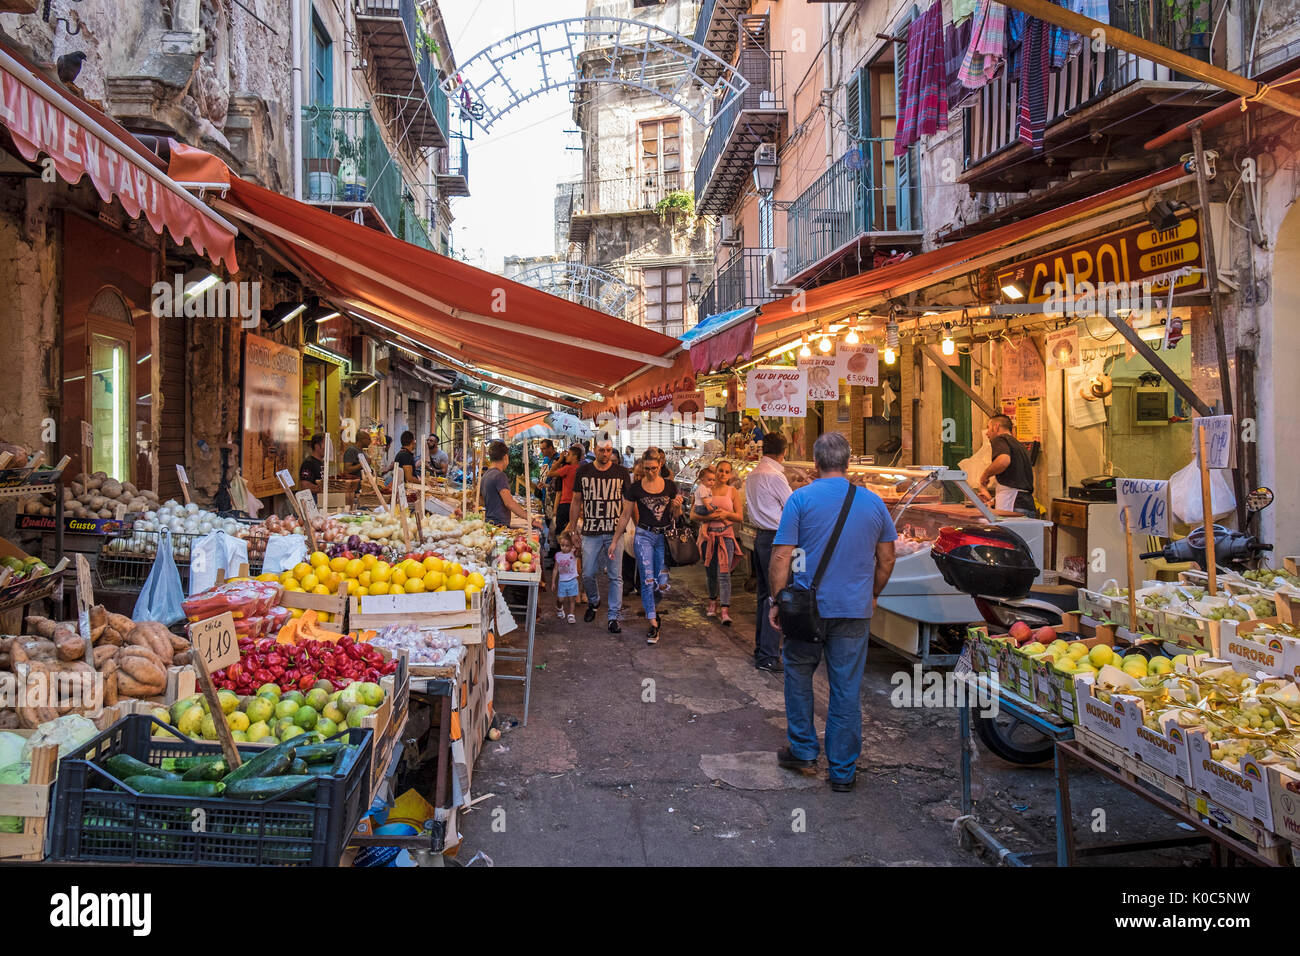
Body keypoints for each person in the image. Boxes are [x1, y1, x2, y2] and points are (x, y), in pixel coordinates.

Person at [768, 432, 897, 792]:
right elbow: (887, 558)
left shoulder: (800, 499)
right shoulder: (872, 502)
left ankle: (804, 750)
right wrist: (872, 592)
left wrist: (777, 600)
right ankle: (842, 771)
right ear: (848, 462)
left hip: (806, 610)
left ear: (815, 463)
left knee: (798, 676)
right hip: (853, 611)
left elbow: (782, 555)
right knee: (845, 688)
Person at [609, 450, 682, 645]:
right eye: (647, 469)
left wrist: (676, 505)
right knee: (648, 580)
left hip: (664, 538)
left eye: (654, 468)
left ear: (660, 465)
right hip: (643, 536)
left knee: (663, 583)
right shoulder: (635, 488)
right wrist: (615, 540)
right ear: (642, 467)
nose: (650, 472)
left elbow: (676, 515)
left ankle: (652, 608)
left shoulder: (669, 486)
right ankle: (653, 620)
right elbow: (625, 516)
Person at [568, 439, 632, 633]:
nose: (605, 453)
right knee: (587, 573)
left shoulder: (621, 473)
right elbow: (576, 501)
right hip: (590, 531)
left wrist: (617, 535)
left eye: (609, 450)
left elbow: (627, 508)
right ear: (594, 450)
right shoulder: (583, 471)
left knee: (615, 576)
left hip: (614, 532)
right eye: (602, 450)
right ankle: (594, 601)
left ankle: (613, 616)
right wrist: (572, 530)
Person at [746, 432, 793, 672]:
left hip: (761, 537)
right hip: (777, 539)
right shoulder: (774, 476)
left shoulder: (753, 474)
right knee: (777, 596)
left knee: (765, 597)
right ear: (784, 451)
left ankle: (762, 650)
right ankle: (768, 655)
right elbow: (793, 507)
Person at [695, 460, 743, 626]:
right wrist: (710, 518)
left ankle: (725, 610)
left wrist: (725, 515)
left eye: (726, 472)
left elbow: (739, 516)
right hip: (708, 537)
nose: (723, 474)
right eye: (720, 471)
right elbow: (694, 515)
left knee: (724, 573)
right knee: (710, 572)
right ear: (715, 473)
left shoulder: (733, 491)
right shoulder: (706, 490)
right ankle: (712, 602)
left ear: (730, 475)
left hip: (726, 536)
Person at [977, 414, 1035, 515]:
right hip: (1025, 504)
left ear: (996, 427)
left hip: (1013, 503)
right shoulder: (1019, 445)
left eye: (988, 428)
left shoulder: (1000, 439)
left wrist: (985, 476)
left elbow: (1003, 461)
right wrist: (993, 500)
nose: (987, 433)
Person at [481, 440, 541, 529]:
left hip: (489, 522)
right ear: (505, 457)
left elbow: (479, 498)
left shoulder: (485, 475)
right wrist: (531, 519)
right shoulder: (499, 476)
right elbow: (509, 503)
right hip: (499, 524)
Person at [547, 445, 582, 542]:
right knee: (572, 530)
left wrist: (559, 460)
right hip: (577, 504)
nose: (566, 456)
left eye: (569, 454)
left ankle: (561, 553)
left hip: (565, 504)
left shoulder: (568, 468)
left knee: (561, 533)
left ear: (575, 456)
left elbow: (550, 473)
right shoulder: (581, 469)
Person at [552, 530, 581, 624]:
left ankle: (571, 615)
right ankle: (559, 607)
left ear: (571, 545)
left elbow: (579, 551)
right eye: (562, 545)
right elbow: (555, 569)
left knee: (572, 599)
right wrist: (553, 582)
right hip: (562, 581)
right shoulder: (558, 556)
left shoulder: (573, 553)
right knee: (561, 599)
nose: (564, 548)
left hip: (572, 580)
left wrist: (576, 540)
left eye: (567, 545)